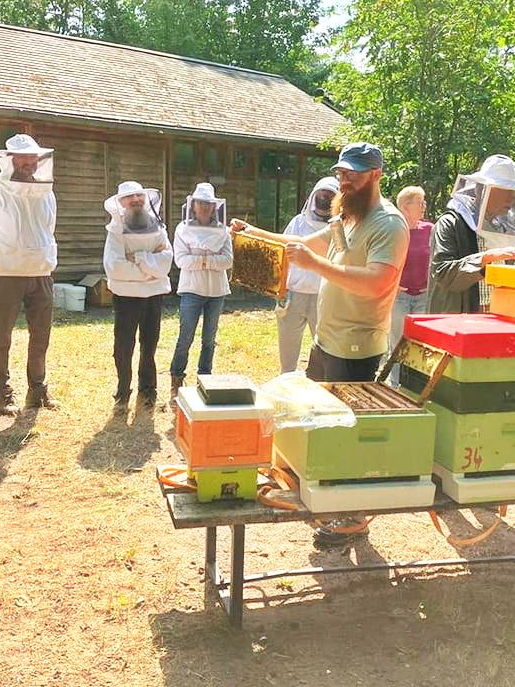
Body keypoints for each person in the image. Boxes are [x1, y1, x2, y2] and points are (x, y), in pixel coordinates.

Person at [231, 142, 409, 547]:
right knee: (319, 423)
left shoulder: (389, 224)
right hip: (326, 339)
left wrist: (315, 266)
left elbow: (377, 282)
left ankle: (353, 517)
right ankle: (326, 498)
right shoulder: (346, 215)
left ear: (377, 175)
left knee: (347, 432)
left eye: (355, 173)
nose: (345, 179)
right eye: (343, 171)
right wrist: (252, 232)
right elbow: (302, 245)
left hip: (357, 344)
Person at [0, 133, 58, 415]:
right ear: (10, 160)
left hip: (41, 274)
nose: (30, 162)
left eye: (33, 157)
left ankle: (37, 390)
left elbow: (48, 229)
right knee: (2, 337)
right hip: (7, 274)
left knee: (41, 336)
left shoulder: (46, 192)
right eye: (23, 157)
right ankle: (1, 393)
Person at [427, 155, 515, 313]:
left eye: (514, 192)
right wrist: (486, 258)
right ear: (482, 190)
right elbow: (443, 273)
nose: (512, 198)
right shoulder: (450, 223)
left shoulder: (503, 230)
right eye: (506, 191)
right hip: (458, 321)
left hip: (498, 317)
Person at [103, 181, 173, 413]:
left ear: (145, 200)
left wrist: (139, 258)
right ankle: (122, 393)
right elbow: (114, 268)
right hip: (126, 298)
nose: (135, 200)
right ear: (121, 203)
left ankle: (148, 390)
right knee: (123, 346)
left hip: (154, 296)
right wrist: (150, 270)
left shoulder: (158, 228)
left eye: (139, 197)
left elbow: (166, 263)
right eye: (129, 197)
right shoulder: (115, 230)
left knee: (150, 344)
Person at [169, 183, 233, 403]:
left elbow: (228, 260)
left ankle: (205, 381)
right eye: (200, 203)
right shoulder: (182, 229)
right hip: (191, 291)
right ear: (193, 206)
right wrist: (210, 259)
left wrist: (199, 259)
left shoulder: (223, 230)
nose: (204, 207)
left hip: (217, 292)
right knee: (185, 337)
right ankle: (176, 380)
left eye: (208, 203)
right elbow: (181, 260)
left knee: (209, 339)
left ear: (214, 207)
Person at [276, 176, 339, 373]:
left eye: (330, 194)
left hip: (324, 296)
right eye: (322, 193)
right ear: (313, 196)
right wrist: (280, 287)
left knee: (324, 350)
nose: (325, 197)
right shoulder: (298, 223)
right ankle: (285, 385)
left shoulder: (338, 229)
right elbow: (282, 253)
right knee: (287, 351)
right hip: (293, 294)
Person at [388, 185, 432, 385]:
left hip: (423, 297)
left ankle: (416, 387)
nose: (424, 207)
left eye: (424, 202)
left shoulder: (430, 230)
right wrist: (392, 285)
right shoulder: (393, 230)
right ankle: (395, 387)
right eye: (419, 202)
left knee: (422, 344)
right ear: (405, 207)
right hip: (399, 298)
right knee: (398, 343)